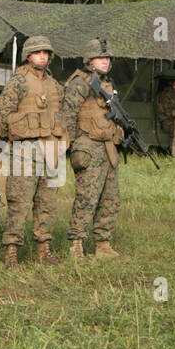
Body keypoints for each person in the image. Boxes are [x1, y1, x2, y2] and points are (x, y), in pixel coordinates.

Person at [0, 34, 65, 266]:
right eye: (38, 52)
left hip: (51, 151)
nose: (42, 56)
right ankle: (11, 252)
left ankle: (43, 250)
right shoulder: (18, 81)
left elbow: (62, 115)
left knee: (48, 203)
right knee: (19, 202)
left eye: (46, 53)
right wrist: (16, 138)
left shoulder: (54, 84)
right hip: (25, 151)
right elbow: (2, 115)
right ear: (28, 56)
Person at [62, 38, 124, 259]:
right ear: (90, 60)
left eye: (107, 58)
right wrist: (68, 147)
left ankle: (103, 244)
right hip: (87, 146)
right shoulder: (80, 83)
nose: (105, 61)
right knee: (87, 197)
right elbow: (68, 116)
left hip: (108, 148)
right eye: (100, 57)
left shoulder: (107, 83)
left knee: (110, 198)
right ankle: (76, 244)